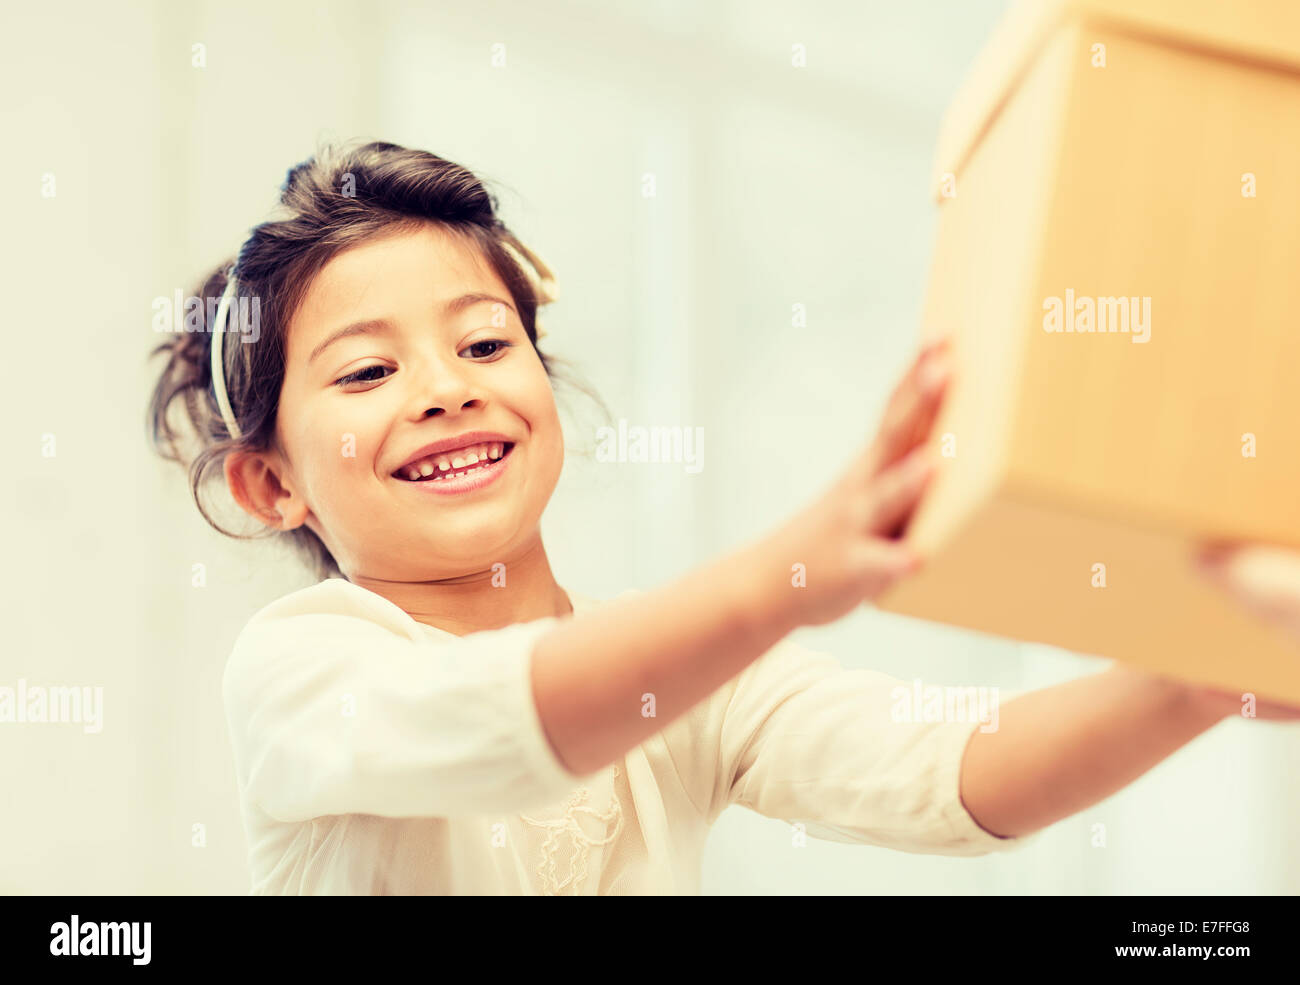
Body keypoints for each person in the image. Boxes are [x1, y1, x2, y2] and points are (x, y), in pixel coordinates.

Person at [147, 141, 1298, 895]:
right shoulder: (301, 667)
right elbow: (507, 720)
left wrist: (1196, 678)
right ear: (272, 486)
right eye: (364, 374)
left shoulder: (689, 678)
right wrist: (794, 569)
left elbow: (955, 768)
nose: (446, 387)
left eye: (486, 343)